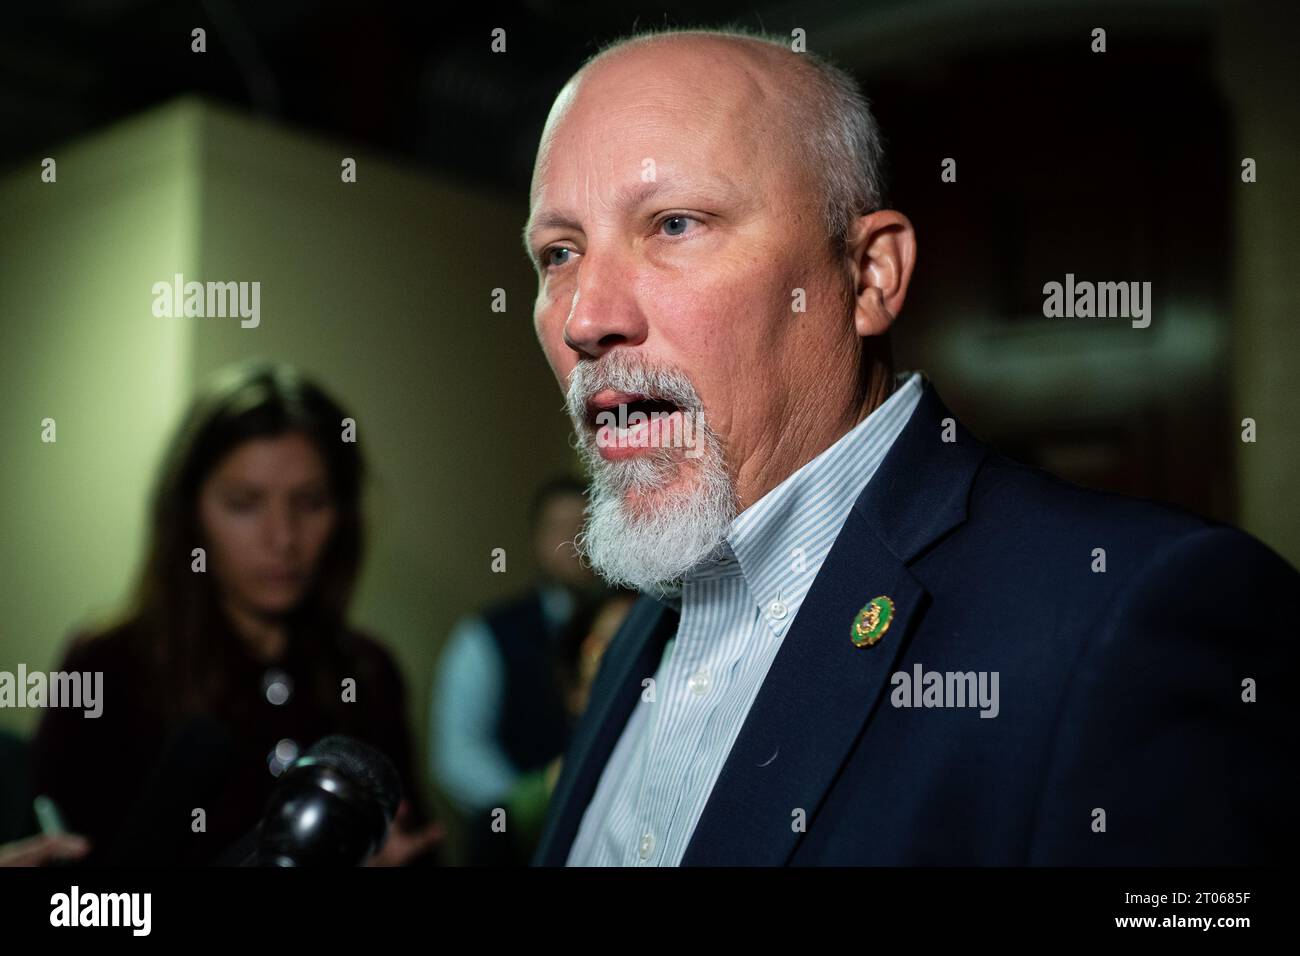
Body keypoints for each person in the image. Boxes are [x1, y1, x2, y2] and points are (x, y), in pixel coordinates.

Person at [522, 27, 1298, 866]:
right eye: (559, 253)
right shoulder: (640, 631)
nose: (584, 316)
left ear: (868, 276)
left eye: (674, 224)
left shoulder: (1137, 613)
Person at [28, 360, 442, 866]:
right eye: (244, 504)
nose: (283, 538)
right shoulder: (107, 666)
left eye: (310, 503)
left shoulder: (368, 671)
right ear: (190, 513)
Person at [430, 478, 603, 865]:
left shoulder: (636, 624)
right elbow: (458, 752)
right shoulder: (486, 634)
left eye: (585, 525)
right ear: (536, 541)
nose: (573, 541)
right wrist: (532, 804)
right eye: (559, 527)